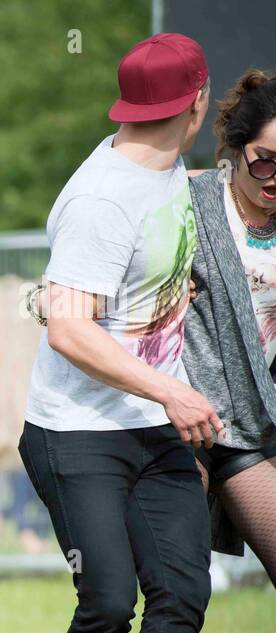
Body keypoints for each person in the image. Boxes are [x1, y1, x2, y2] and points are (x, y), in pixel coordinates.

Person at [20, 34, 216, 633]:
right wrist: (170, 389)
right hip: (76, 432)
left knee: (181, 586)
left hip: (152, 428)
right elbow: (67, 328)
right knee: (107, 596)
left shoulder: (166, 168)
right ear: (196, 101)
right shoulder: (103, 198)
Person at [183, 69, 276, 584]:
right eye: (265, 160)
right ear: (236, 148)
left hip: (252, 430)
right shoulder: (187, 204)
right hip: (177, 425)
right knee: (174, 585)